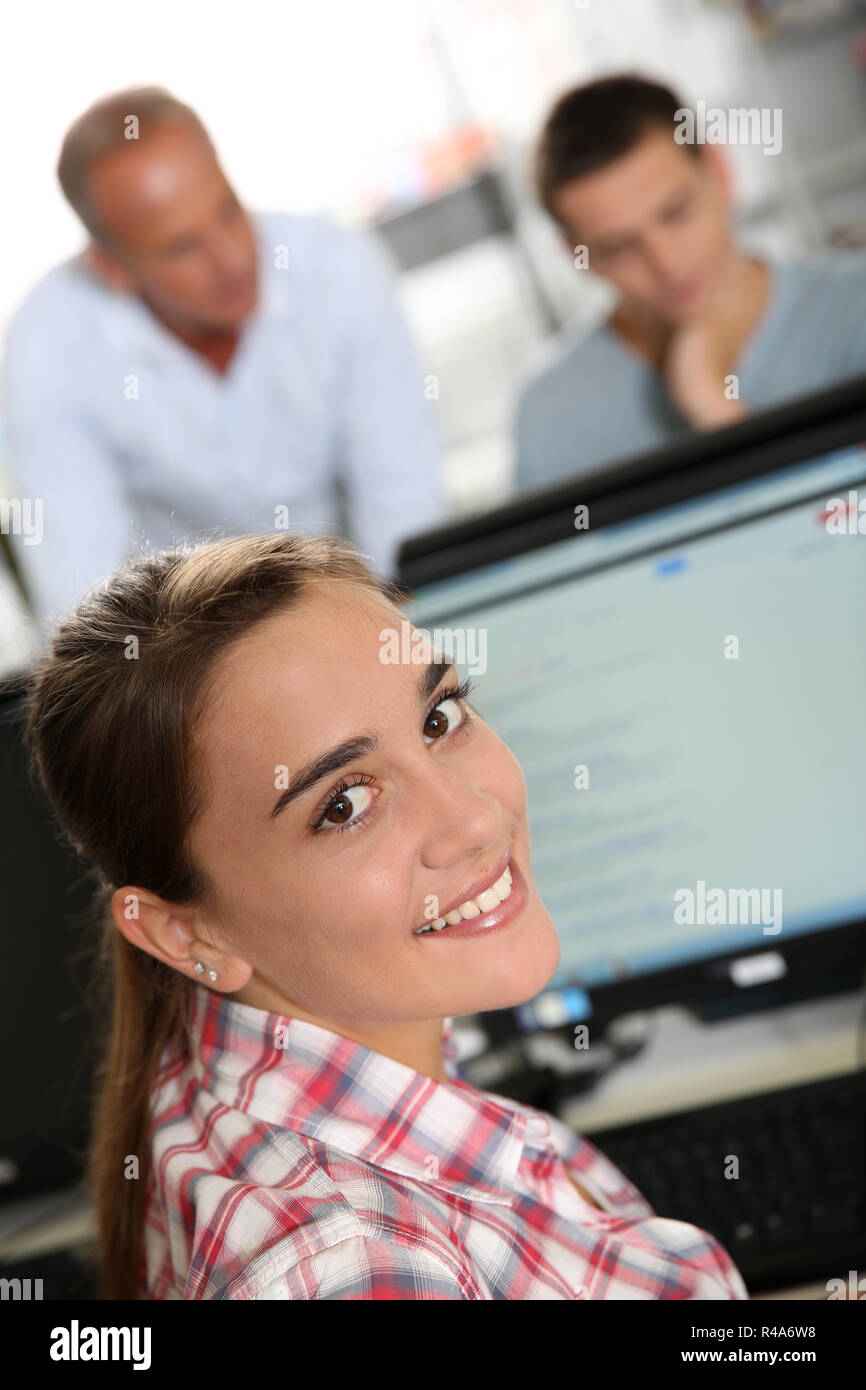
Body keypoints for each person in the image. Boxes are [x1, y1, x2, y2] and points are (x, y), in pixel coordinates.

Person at [24, 530, 748, 1300]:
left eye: (439, 718)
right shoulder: (360, 1267)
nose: (472, 819)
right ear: (183, 931)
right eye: (344, 803)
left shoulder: (255, 1041)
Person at [1, 87, 445, 624]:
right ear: (113, 269)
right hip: (183, 657)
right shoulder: (45, 353)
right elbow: (80, 604)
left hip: (358, 612)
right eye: (183, 247)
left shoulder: (340, 271)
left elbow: (406, 528)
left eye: (229, 211)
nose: (234, 260)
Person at [514, 74, 866, 491]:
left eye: (675, 213)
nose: (667, 265)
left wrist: (711, 404)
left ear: (719, 172)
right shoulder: (553, 417)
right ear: (579, 256)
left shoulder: (855, 308)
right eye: (620, 247)